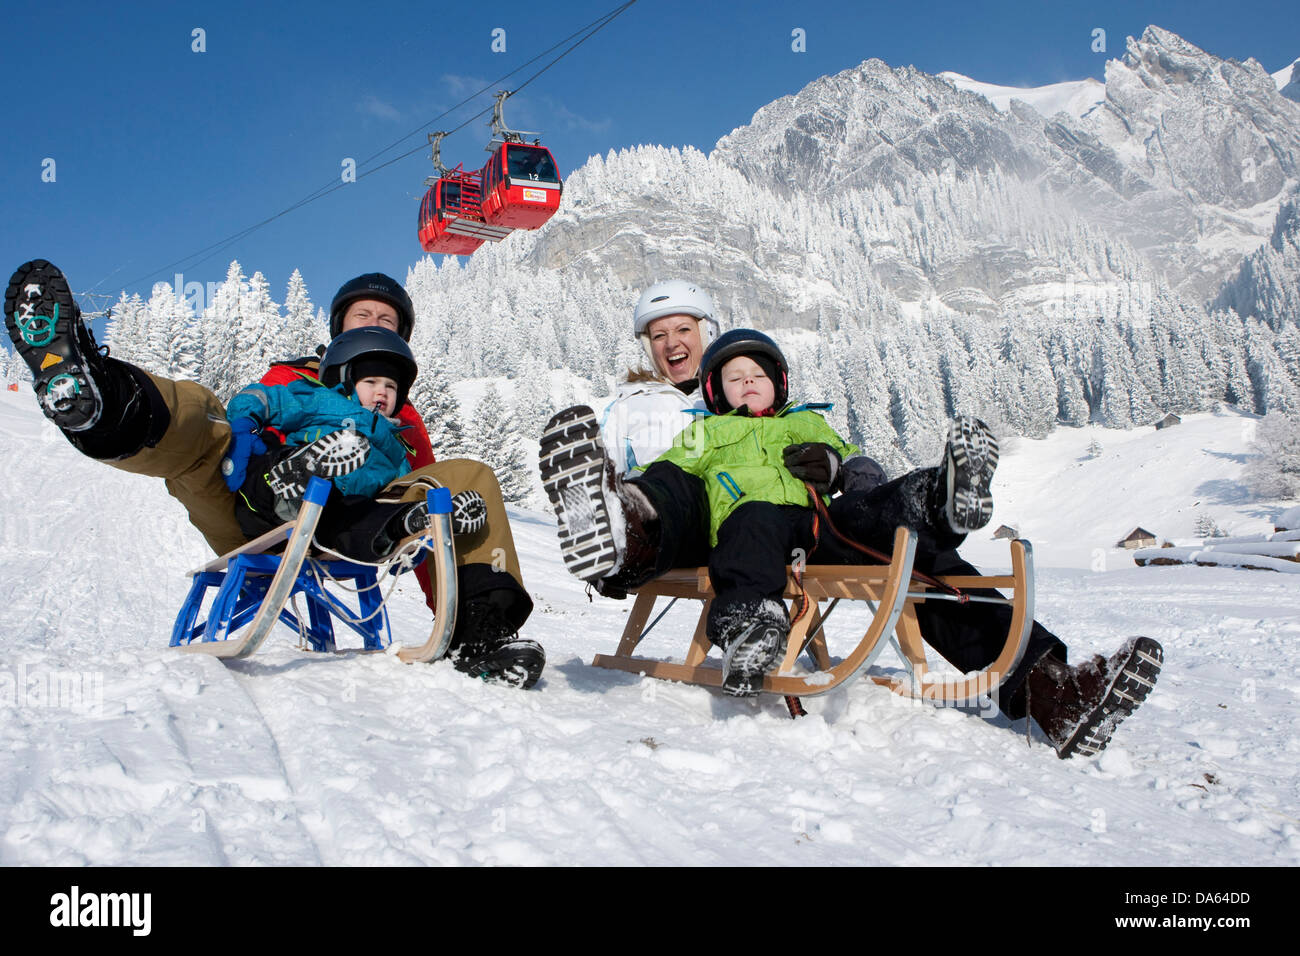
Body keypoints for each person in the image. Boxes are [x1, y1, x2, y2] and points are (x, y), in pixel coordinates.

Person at [541, 329, 1164, 757]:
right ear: (715, 392)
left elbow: (859, 472)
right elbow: (675, 480)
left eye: (758, 375)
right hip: (742, 528)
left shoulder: (809, 424)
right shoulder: (707, 435)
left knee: (906, 540)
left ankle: (1050, 684)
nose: (747, 384)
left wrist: (838, 473)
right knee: (690, 498)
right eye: (733, 378)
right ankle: (626, 528)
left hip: (824, 529)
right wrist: (652, 496)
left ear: (779, 384)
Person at [5, 259, 543, 687]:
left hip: (354, 529)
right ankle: (103, 404)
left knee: (464, 477)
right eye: (364, 316)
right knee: (209, 418)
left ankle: (479, 632)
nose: (376, 325)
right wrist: (246, 434)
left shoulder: (401, 419)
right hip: (257, 515)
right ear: (339, 329)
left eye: (389, 322)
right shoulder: (294, 379)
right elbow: (257, 405)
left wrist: (441, 598)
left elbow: (432, 507)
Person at [227, 326, 485, 563]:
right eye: (371, 382)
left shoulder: (396, 450)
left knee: (362, 514)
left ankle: (411, 521)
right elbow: (270, 398)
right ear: (347, 381)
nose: (382, 391)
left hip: (329, 521)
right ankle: (302, 474)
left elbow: (399, 490)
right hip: (267, 508)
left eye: (391, 386)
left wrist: (404, 530)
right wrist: (245, 422)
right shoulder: (325, 401)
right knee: (272, 455)